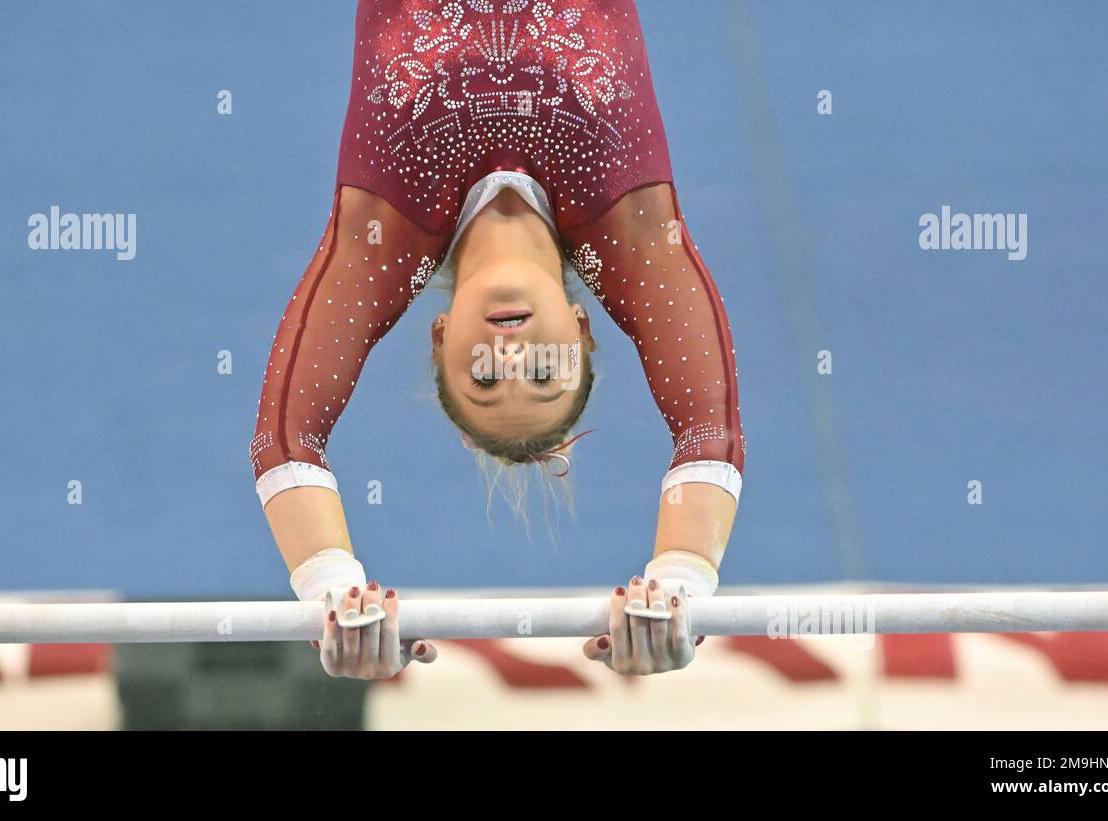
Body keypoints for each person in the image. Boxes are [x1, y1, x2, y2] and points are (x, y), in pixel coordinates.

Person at [251, 0, 744, 678]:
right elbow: (706, 431)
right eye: (544, 371)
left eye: (482, 376)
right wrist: (684, 586)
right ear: (581, 332)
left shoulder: (383, 240)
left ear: (439, 339)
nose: (508, 354)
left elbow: (284, 436)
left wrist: (332, 592)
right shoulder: (630, 232)